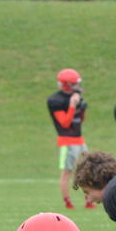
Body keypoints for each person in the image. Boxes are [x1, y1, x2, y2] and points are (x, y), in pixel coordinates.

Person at [47, 69, 93, 210]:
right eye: (73, 85)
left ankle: (88, 200)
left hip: (80, 139)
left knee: (87, 170)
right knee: (67, 172)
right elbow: (65, 123)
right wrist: (72, 106)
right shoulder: (56, 100)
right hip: (66, 141)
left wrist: (82, 110)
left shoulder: (77, 96)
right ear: (65, 85)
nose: (76, 87)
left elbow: (79, 121)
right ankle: (68, 202)